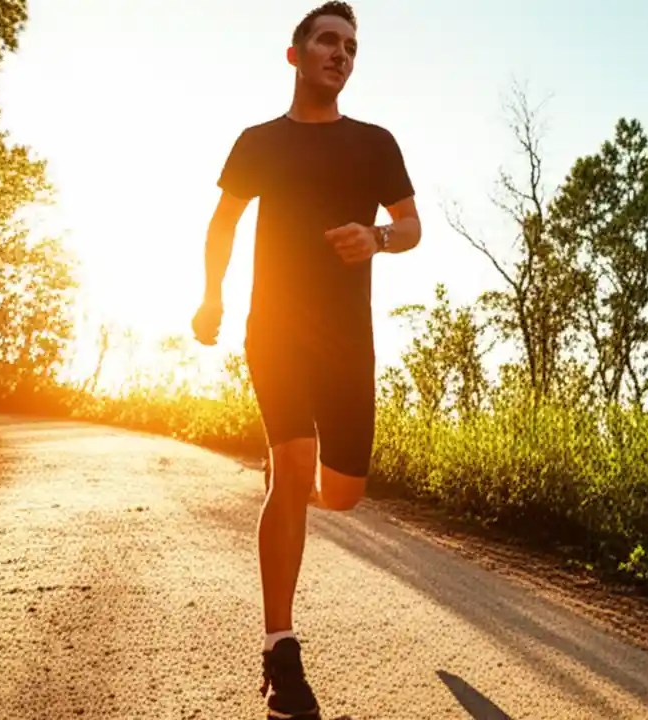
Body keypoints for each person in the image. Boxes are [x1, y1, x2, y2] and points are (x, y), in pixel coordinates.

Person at [190, 2, 420, 717]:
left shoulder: (376, 143)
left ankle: (291, 477)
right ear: (295, 55)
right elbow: (223, 222)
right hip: (278, 329)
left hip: (349, 340)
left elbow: (412, 225)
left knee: (342, 493)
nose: (341, 53)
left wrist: (378, 239)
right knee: (292, 471)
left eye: (351, 46)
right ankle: (279, 653)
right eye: (328, 40)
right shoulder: (259, 141)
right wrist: (210, 299)